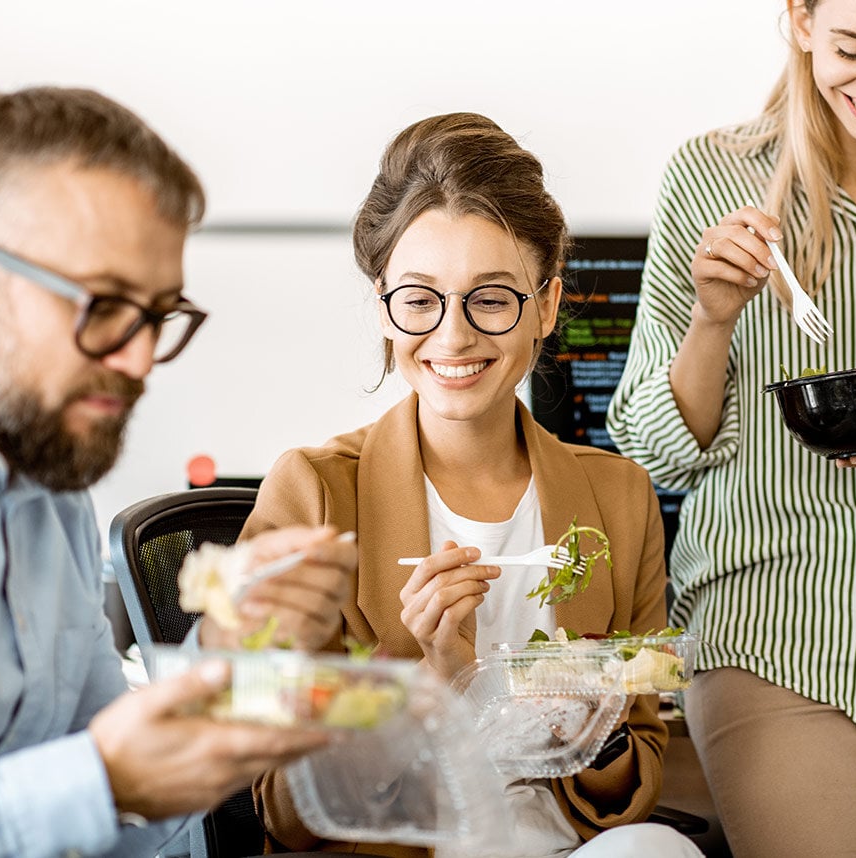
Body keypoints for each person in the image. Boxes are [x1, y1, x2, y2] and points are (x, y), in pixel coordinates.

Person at [239, 112, 703, 858]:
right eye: (420, 300)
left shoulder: (618, 497)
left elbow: (634, 783)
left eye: (490, 299)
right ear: (384, 304)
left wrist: (599, 714)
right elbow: (287, 815)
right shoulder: (315, 494)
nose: (453, 337)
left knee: (659, 851)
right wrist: (429, 682)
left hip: (558, 845)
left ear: (545, 307)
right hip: (402, 846)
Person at [607, 1, 856, 855]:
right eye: (852, 49)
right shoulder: (711, 175)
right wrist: (712, 318)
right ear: (801, 22)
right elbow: (655, 450)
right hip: (769, 621)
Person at [0, 85, 356, 858]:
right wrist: (102, 781)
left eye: (156, 316)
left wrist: (232, 657)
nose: (140, 359)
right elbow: (95, 782)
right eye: (104, 305)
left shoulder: (51, 495)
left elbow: (126, 809)